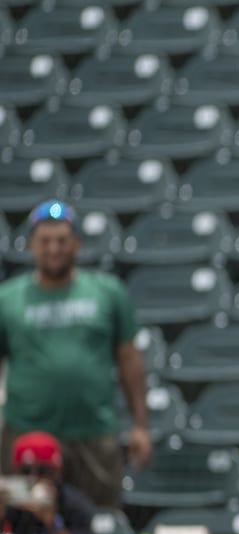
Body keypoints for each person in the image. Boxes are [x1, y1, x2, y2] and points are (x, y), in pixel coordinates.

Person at [0, 200, 152, 511]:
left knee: (98, 528)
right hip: (27, 434)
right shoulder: (7, 299)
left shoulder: (107, 292)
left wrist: (140, 424)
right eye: (45, 241)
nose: (54, 249)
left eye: (61, 241)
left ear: (77, 245)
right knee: (21, 523)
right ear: (31, 246)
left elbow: (129, 361)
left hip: (92, 434)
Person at [1, 431, 94, 534]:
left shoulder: (75, 505)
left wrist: (52, 521)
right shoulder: (8, 501)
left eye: (43, 471)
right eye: (25, 471)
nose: (33, 478)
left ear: (58, 473)